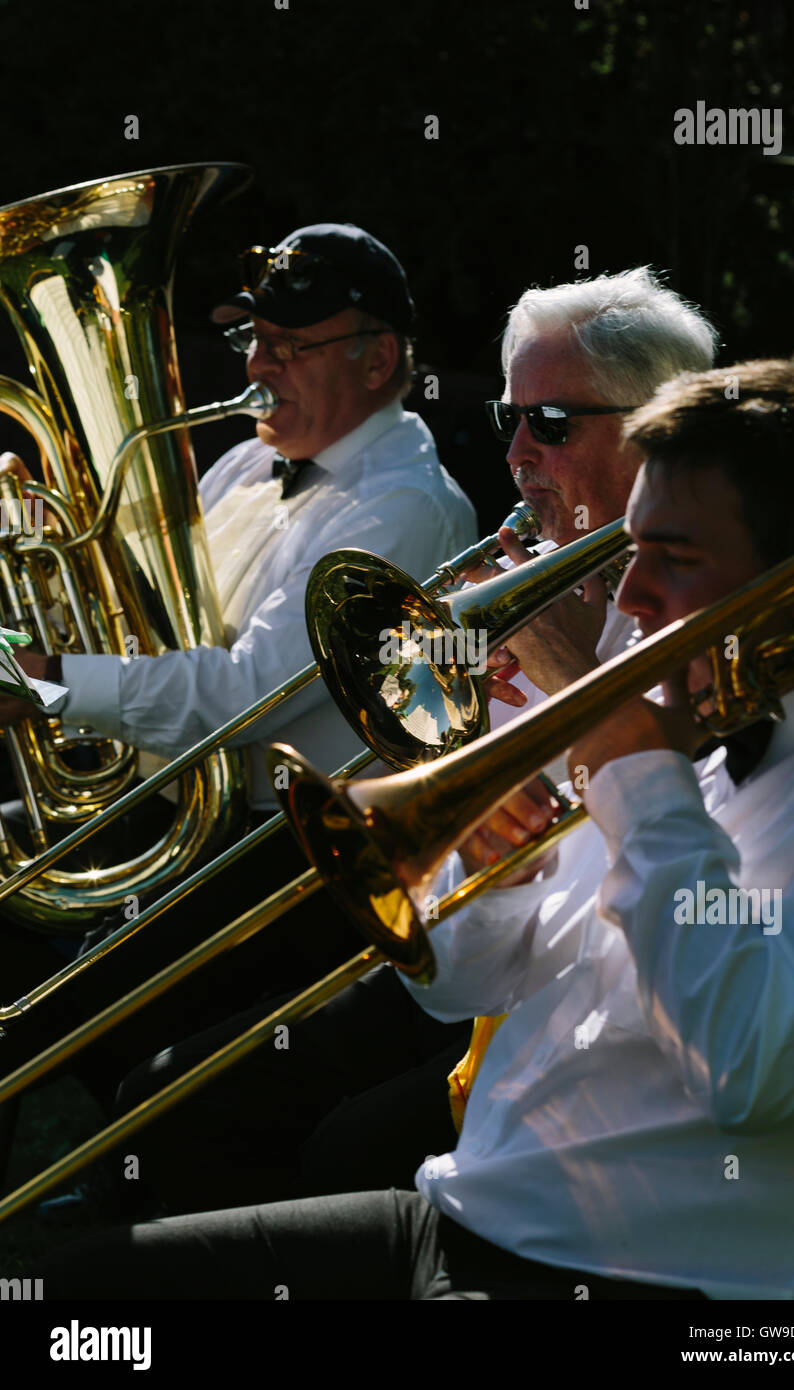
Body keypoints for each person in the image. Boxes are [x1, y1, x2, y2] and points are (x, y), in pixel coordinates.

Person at [38, 352, 794, 1301]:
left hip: (644, 1278)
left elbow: (752, 1074)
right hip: (464, 1215)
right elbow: (468, 987)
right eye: (631, 550)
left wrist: (641, 783)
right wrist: (493, 880)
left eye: (674, 561)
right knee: (77, 1293)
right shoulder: (701, 721)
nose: (628, 599)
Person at [107, 268, 718, 1214]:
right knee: (173, 1093)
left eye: (550, 425)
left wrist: (570, 689)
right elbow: (458, 964)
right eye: (507, 421)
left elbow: (685, 848)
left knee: (319, 1144)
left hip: (617, 1023)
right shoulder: (540, 589)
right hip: (492, 980)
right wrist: (457, 785)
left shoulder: (712, 614)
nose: (516, 455)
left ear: (664, 427)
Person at [0, 224, 476, 1109]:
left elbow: (249, 695)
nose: (257, 365)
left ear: (377, 362)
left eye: (291, 346)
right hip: (172, 817)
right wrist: (40, 548)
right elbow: (143, 632)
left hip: (283, 863)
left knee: (40, 1029)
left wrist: (46, 683)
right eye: (251, 339)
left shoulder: (403, 507)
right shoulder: (246, 463)